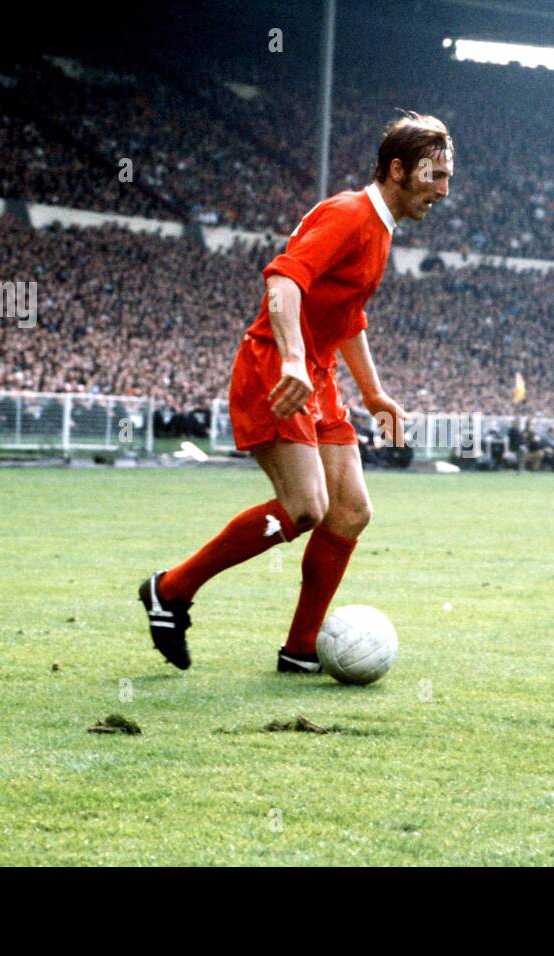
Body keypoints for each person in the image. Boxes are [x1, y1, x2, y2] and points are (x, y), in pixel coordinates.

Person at [139, 112, 454, 673]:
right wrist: (290, 357)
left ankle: (302, 649)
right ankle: (171, 590)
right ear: (398, 169)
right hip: (275, 366)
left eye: (448, 176)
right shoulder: (350, 215)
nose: (443, 189)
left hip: (318, 374)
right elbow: (284, 280)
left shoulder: (380, 231)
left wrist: (375, 393)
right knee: (305, 507)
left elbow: (348, 316)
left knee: (351, 510)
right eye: (434, 175)